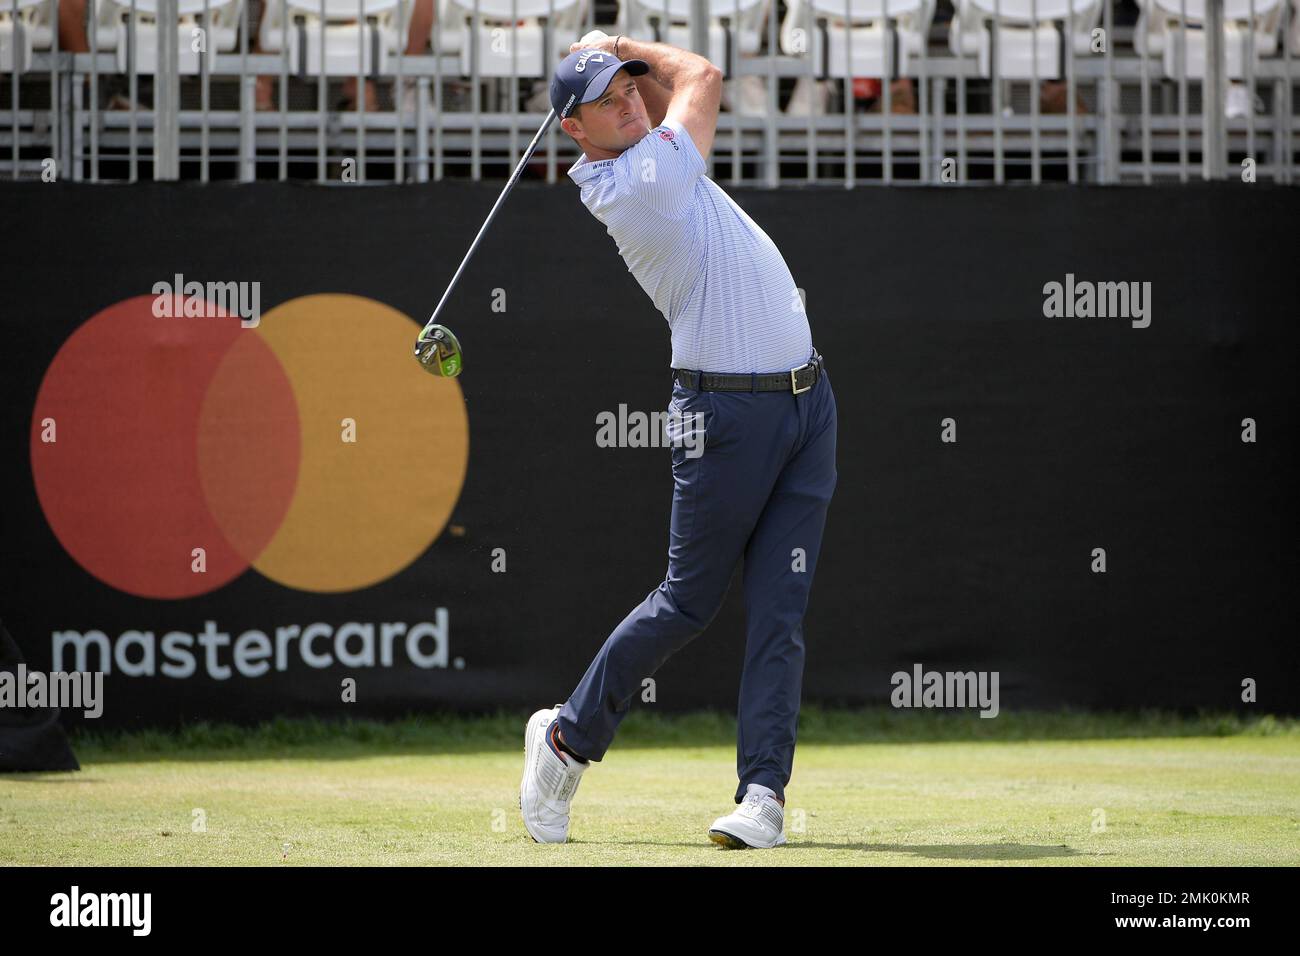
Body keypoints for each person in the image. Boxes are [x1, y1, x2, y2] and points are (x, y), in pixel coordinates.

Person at [519, 33, 838, 850]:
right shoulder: (641, 183)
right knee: (688, 600)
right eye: (608, 101)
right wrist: (622, 43)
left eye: (631, 89)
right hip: (721, 414)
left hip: (808, 404)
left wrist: (613, 68)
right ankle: (564, 740)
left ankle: (763, 793)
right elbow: (699, 73)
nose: (630, 102)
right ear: (573, 131)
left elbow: (664, 100)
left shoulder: (649, 149)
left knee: (781, 610)